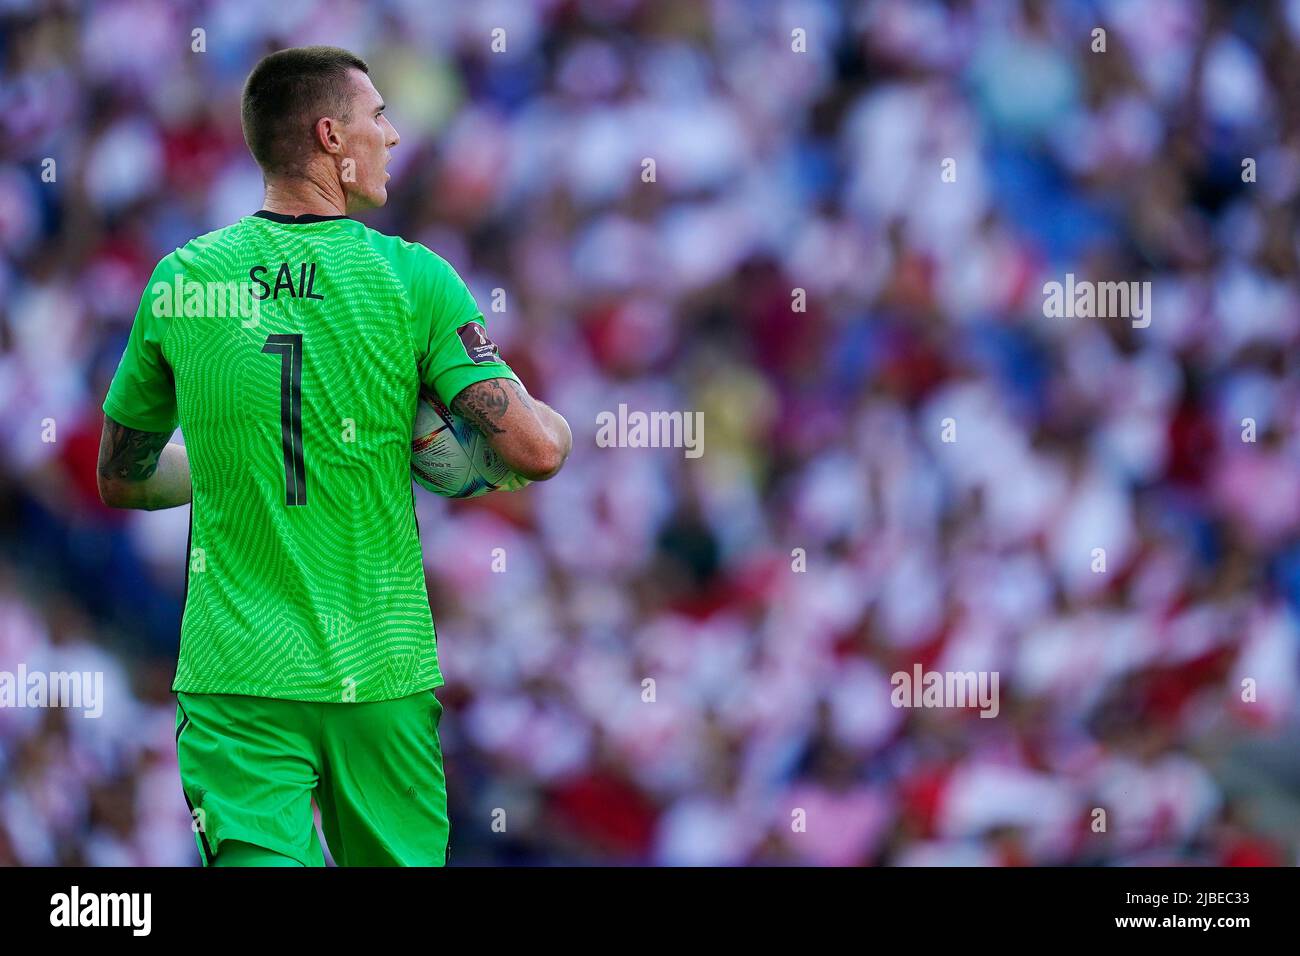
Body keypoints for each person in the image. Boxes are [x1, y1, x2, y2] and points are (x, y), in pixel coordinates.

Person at [95, 45, 572, 866]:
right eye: (378, 116)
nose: (392, 136)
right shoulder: (410, 278)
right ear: (330, 136)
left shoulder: (181, 280)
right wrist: (556, 426)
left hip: (237, 678)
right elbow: (531, 453)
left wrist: (224, 455)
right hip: (379, 674)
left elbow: (121, 477)